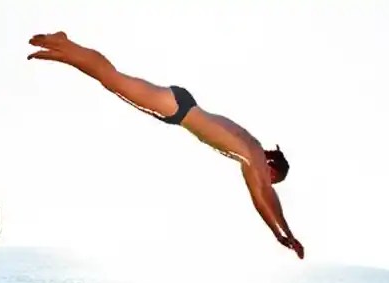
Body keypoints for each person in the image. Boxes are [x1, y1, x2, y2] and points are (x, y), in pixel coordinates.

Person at [27, 31, 305, 259]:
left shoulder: (247, 155)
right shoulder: (254, 152)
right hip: (179, 108)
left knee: (113, 83)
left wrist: (279, 233)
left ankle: (64, 51)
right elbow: (265, 196)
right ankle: (65, 45)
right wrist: (286, 234)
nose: (267, 182)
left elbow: (258, 197)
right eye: (273, 178)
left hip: (179, 109)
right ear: (271, 168)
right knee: (114, 79)